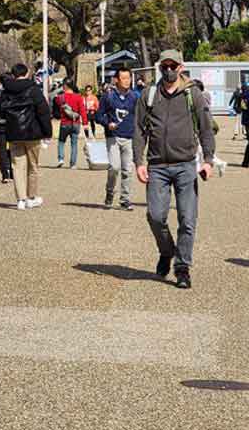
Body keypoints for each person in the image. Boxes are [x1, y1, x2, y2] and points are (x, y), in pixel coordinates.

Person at [133, 49, 215, 289]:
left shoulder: (193, 94)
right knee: (155, 216)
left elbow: (206, 129)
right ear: (160, 67)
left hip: (185, 165)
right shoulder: (148, 95)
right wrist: (139, 162)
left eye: (173, 66)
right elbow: (138, 130)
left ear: (181, 67)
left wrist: (208, 160)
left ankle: (182, 267)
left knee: (187, 219)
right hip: (157, 165)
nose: (168, 70)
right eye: (164, 66)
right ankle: (166, 251)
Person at [0, 63, 52, 210]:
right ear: (27, 73)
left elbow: (1, 114)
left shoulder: (5, 92)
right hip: (33, 133)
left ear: (13, 75)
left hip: (14, 133)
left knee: (17, 167)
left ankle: (20, 199)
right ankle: (31, 197)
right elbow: (43, 112)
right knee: (33, 166)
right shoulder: (34, 90)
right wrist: (47, 132)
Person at [96, 66, 139, 210]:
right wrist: (108, 124)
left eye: (129, 78)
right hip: (113, 137)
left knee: (128, 169)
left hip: (129, 137)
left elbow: (139, 116)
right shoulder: (108, 96)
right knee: (114, 167)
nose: (127, 81)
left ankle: (125, 199)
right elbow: (98, 116)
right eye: (124, 78)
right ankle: (109, 192)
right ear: (116, 80)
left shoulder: (134, 97)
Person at [54, 79, 88, 168]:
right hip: (75, 123)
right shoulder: (79, 97)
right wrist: (85, 123)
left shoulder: (60, 97)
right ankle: (73, 164)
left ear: (65, 86)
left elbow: (54, 100)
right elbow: (82, 111)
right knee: (74, 144)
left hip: (65, 123)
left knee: (61, 141)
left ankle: (61, 159)